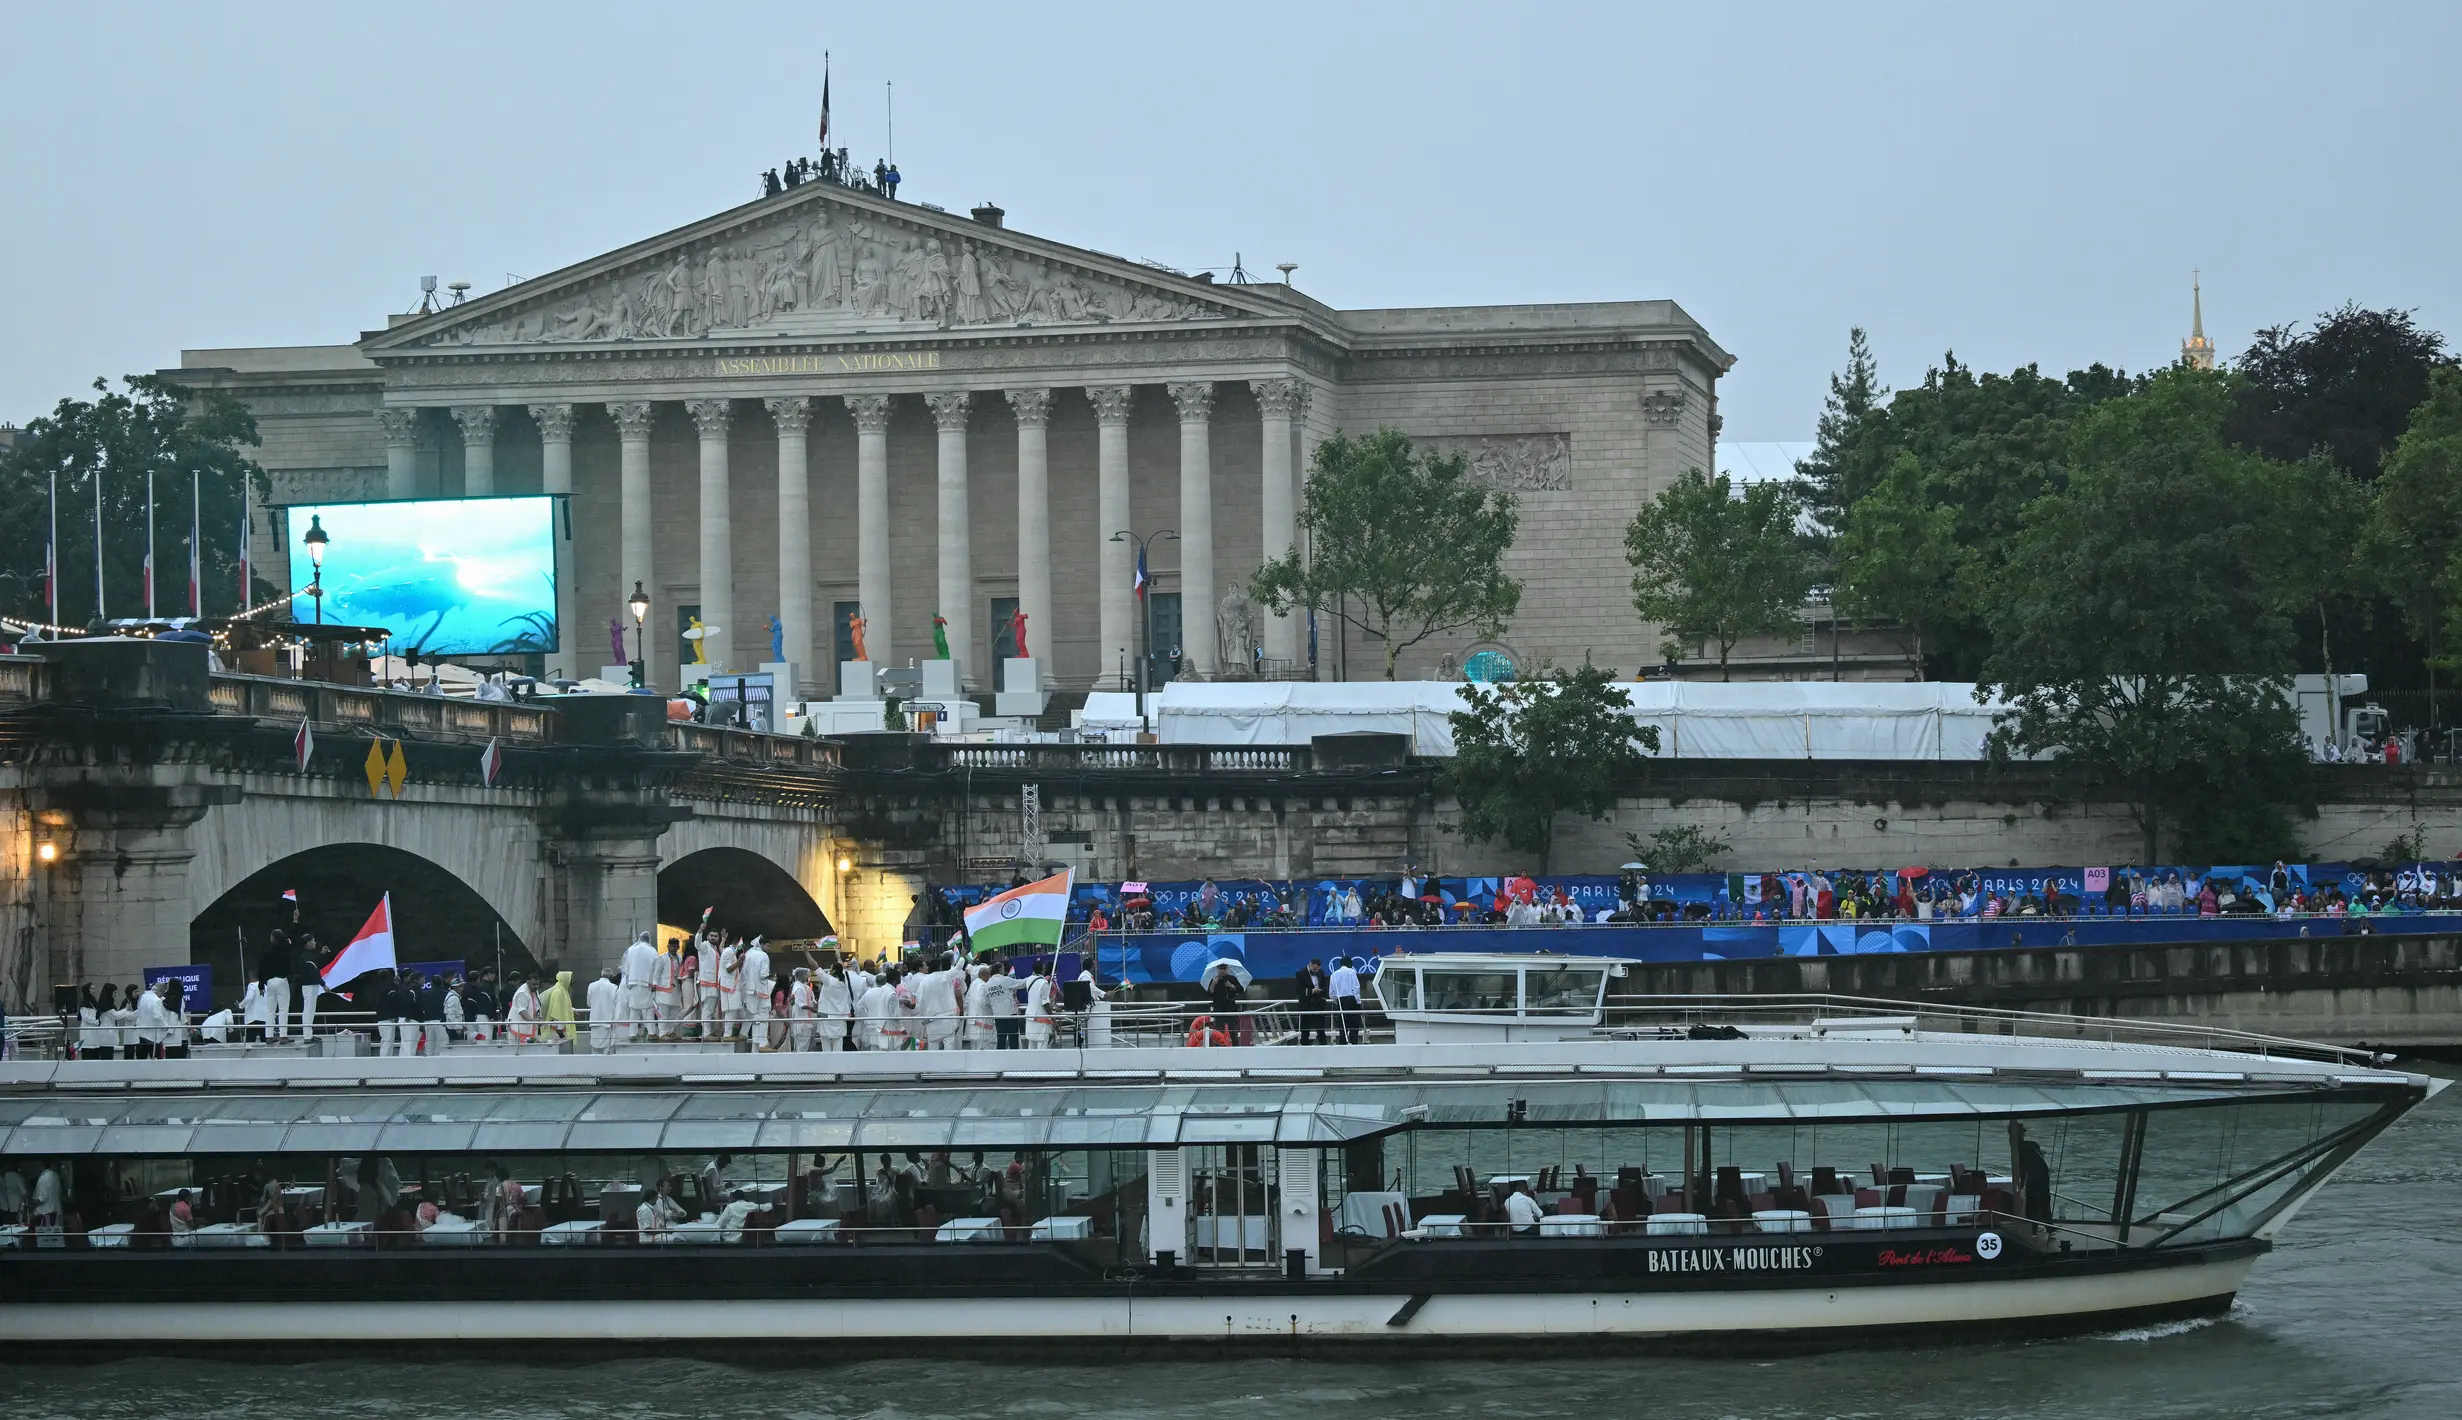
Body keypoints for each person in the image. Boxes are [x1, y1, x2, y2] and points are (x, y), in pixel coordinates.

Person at [619, 931, 658, 1044]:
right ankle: (651, 1033)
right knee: (648, 1009)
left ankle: (632, 1034)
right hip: (647, 983)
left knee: (634, 1009)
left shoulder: (631, 950)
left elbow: (625, 967)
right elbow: (656, 968)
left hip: (632, 983)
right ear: (648, 939)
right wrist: (654, 983)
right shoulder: (652, 951)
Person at [739, 937, 774, 1048]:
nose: (769, 948)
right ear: (762, 944)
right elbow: (763, 974)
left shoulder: (748, 954)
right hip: (760, 990)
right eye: (768, 945)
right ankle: (762, 1044)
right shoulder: (764, 956)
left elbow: (743, 973)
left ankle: (743, 1033)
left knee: (752, 1014)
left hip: (749, 989)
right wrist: (770, 976)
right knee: (763, 1016)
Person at [1294, 958, 1330, 1046]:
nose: (1316, 971)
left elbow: (1324, 985)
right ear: (1310, 964)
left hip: (1318, 1003)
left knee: (1321, 1028)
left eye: (1317, 969)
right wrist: (1311, 991)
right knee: (1305, 1028)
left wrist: (1323, 995)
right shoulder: (1301, 973)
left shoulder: (1321, 973)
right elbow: (1298, 989)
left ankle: (1323, 1045)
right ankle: (1304, 1045)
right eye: (1314, 969)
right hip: (1306, 1004)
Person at [1206, 964, 1245, 1045]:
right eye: (1220, 969)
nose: (1222, 970)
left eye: (1224, 968)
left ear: (1226, 969)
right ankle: (1219, 1049)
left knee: (1233, 1032)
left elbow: (1241, 990)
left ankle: (1236, 1048)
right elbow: (1209, 994)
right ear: (1217, 969)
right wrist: (1213, 984)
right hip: (1219, 1009)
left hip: (1230, 1008)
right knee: (1219, 1032)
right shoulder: (1214, 980)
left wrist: (1231, 986)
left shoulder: (1232, 978)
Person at [650, 936, 680, 1039]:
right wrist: (654, 984)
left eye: (675, 946)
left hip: (676, 989)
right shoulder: (662, 958)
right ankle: (662, 1033)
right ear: (668, 946)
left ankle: (670, 1032)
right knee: (663, 1012)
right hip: (663, 988)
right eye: (671, 946)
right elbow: (656, 973)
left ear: (678, 947)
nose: (673, 948)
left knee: (673, 1012)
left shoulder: (680, 958)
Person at [1329, 956, 1364, 1044]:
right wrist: (1358, 1001)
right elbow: (1356, 987)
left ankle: (1342, 1042)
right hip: (1351, 1000)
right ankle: (1353, 1042)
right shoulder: (1351, 972)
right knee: (1354, 1024)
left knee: (1342, 1024)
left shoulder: (1333, 975)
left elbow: (1331, 993)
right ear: (1349, 964)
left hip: (1340, 1001)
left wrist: (1337, 1001)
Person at [587, 967, 622, 1053]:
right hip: (608, 1022)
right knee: (608, 1049)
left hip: (594, 1021)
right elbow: (618, 1006)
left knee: (595, 1048)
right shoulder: (614, 987)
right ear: (611, 977)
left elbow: (589, 1003)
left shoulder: (591, 986)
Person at [1022, 962, 1056, 1049]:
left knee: (1031, 1046)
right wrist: (1053, 1019)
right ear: (1042, 970)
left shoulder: (1029, 980)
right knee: (1042, 1046)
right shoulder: (1044, 984)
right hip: (1042, 1021)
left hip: (1030, 1018)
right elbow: (1045, 1004)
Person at [718, 937, 746, 1040]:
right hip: (728, 986)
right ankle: (727, 1035)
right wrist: (739, 961)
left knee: (733, 1010)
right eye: (741, 945)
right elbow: (729, 969)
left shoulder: (731, 952)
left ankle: (728, 1034)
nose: (742, 949)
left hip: (732, 986)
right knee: (730, 1010)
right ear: (736, 943)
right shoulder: (728, 952)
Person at [507, 974, 543, 1045]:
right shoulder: (522, 993)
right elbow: (522, 1011)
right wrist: (533, 1021)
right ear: (528, 982)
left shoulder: (534, 991)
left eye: (537, 984)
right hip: (519, 1030)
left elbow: (536, 1007)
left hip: (529, 1028)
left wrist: (537, 1019)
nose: (536, 986)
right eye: (534, 984)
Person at [542, 969, 576, 1044]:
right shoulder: (558, 991)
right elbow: (555, 1012)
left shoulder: (563, 990)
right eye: (571, 979)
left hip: (559, 1029)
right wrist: (560, 1029)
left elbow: (564, 1006)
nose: (572, 982)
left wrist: (572, 1010)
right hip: (556, 1031)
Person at [788, 967, 817, 1051]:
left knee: (804, 1044)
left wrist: (814, 1003)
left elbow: (811, 999)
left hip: (807, 1020)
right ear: (802, 975)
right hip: (802, 1022)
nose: (808, 977)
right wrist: (812, 1009)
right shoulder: (799, 988)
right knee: (802, 1045)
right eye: (807, 975)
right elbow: (801, 1004)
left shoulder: (805, 987)